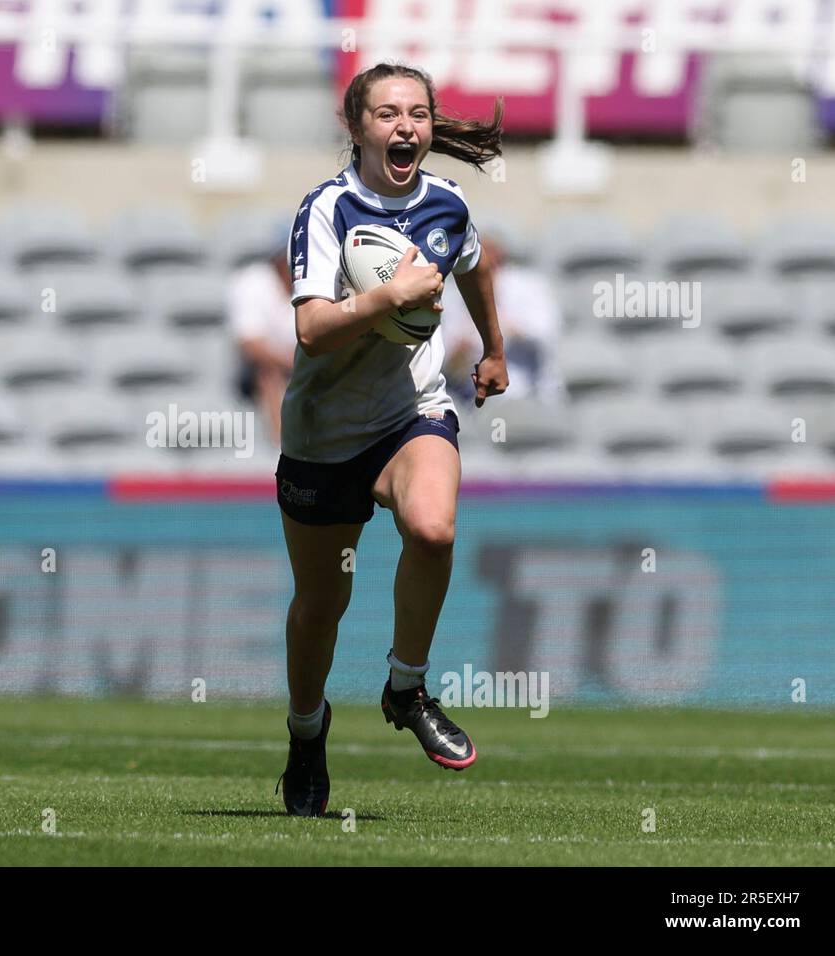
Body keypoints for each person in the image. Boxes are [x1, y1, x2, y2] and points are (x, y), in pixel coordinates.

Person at [276, 62, 509, 815]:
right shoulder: (326, 209)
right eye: (386, 113)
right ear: (357, 128)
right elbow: (311, 333)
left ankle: (407, 687)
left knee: (433, 529)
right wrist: (388, 297)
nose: (405, 126)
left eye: (417, 112)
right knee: (321, 602)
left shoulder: (447, 202)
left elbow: (472, 265)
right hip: (323, 431)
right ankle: (307, 734)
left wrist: (494, 347)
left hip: (410, 411)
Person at [438, 231, 566, 406]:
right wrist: (460, 350)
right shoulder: (454, 298)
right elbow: (447, 362)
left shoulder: (531, 287)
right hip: (473, 396)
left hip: (530, 392)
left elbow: (548, 334)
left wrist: (510, 327)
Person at [228, 235, 298, 446]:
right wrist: (292, 362)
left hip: (300, 363)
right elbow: (251, 346)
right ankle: (283, 445)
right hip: (260, 372)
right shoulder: (253, 282)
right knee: (268, 373)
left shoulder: (312, 284)